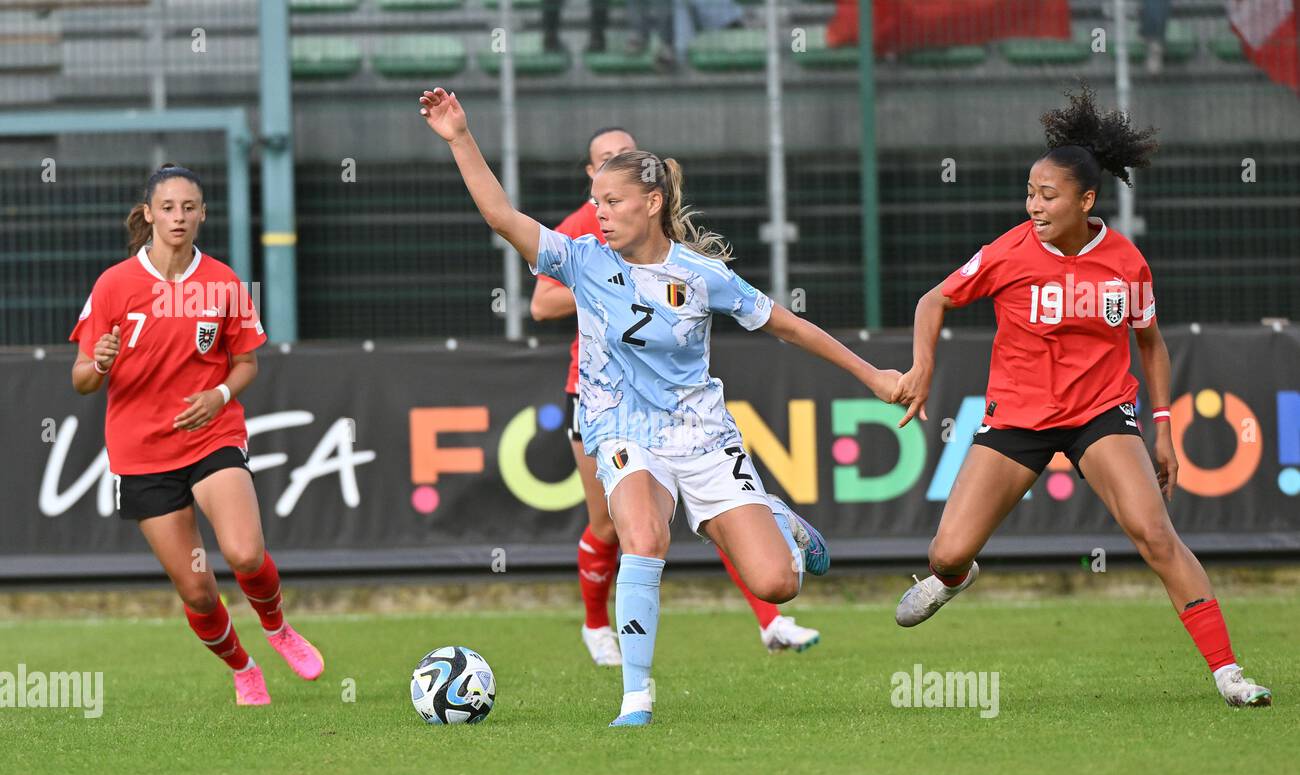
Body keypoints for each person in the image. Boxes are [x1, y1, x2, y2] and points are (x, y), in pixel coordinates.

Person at [419, 87, 900, 726]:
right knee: (641, 536)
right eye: (596, 203)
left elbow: (790, 327)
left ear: (652, 203)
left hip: (701, 436)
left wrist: (873, 376)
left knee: (777, 584)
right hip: (620, 428)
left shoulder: (703, 275)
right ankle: (636, 698)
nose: (601, 214)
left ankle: (782, 522)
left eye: (612, 203)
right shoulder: (583, 260)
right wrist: (459, 138)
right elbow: (503, 216)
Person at [889, 87, 1271, 708]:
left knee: (1155, 534)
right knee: (947, 551)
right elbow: (933, 300)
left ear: (1086, 199)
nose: (1033, 206)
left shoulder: (1126, 262)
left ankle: (1229, 672)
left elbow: (1150, 343)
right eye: (1031, 193)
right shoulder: (1008, 252)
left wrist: (1165, 427)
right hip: (1016, 417)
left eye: (1048, 195)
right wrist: (923, 367)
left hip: (1100, 415)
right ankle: (954, 578)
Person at [531, 126, 824, 667]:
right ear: (587, 172)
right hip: (601, 400)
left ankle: (772, 607)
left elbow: (777, 321)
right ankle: (599, 629)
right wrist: (608, 291)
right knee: (614, 527)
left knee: (720, 516)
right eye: (599, 165)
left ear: (650, 192)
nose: (604, 194)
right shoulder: (586, 228)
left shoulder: (679, 258)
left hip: (683, 416)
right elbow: (540, 306)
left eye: (616, 166)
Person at [69, 164, 325, 706]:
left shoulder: (224, 282)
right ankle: (243, 666)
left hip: (212, 436)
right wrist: (101, 361)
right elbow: (82, 380)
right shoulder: (114, 285)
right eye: (168, 207)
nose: (179, 217)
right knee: (197, 588)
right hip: (142, 453)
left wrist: (220, 396)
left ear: (203, 214)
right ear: (149, 214)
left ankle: (278, 629)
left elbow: (247, 363)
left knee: (245, 553)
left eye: (189, 207)